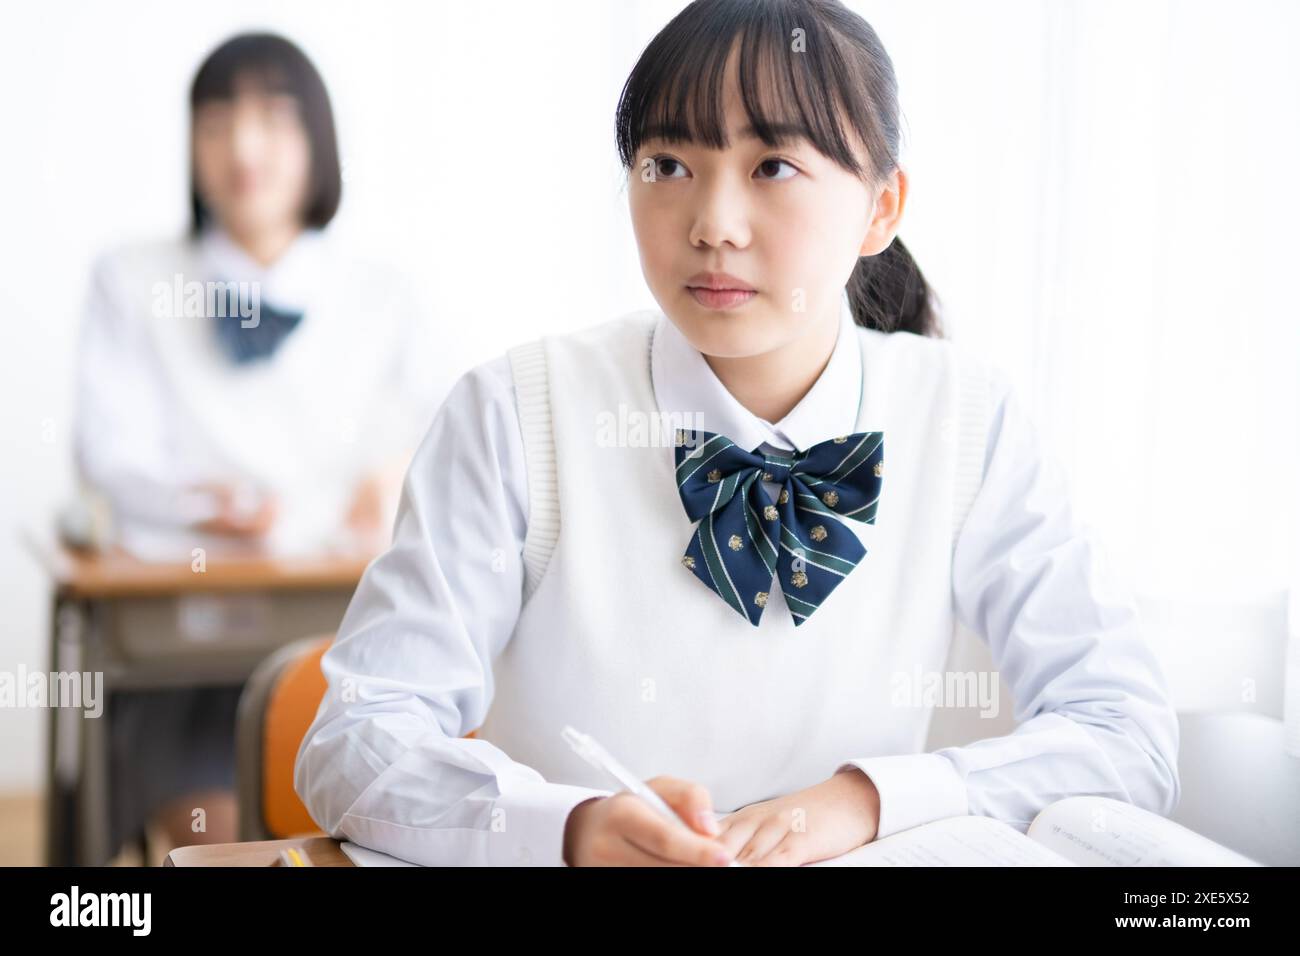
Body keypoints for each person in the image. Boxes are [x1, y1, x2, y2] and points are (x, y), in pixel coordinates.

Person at [294, 0, 1180, 867]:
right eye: (669, 164)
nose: (712, 224)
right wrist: (571, 829)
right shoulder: (516, 410)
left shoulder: (969, 420)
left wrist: (867, 801)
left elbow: (1123, 730)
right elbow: (356, 738)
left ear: (882, 208)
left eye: (772, 167)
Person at [73, 32, 442, 859]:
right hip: (184, 648)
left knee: (378, 822)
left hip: (343, 644)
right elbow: (108, 453)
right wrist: (204, 504)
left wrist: (389, 482)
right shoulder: (130, 278)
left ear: (318, 142)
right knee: (224, 841)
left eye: (274, 119)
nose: (243, 147)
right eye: (216, 122)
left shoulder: (383, 297)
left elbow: (424, 448)